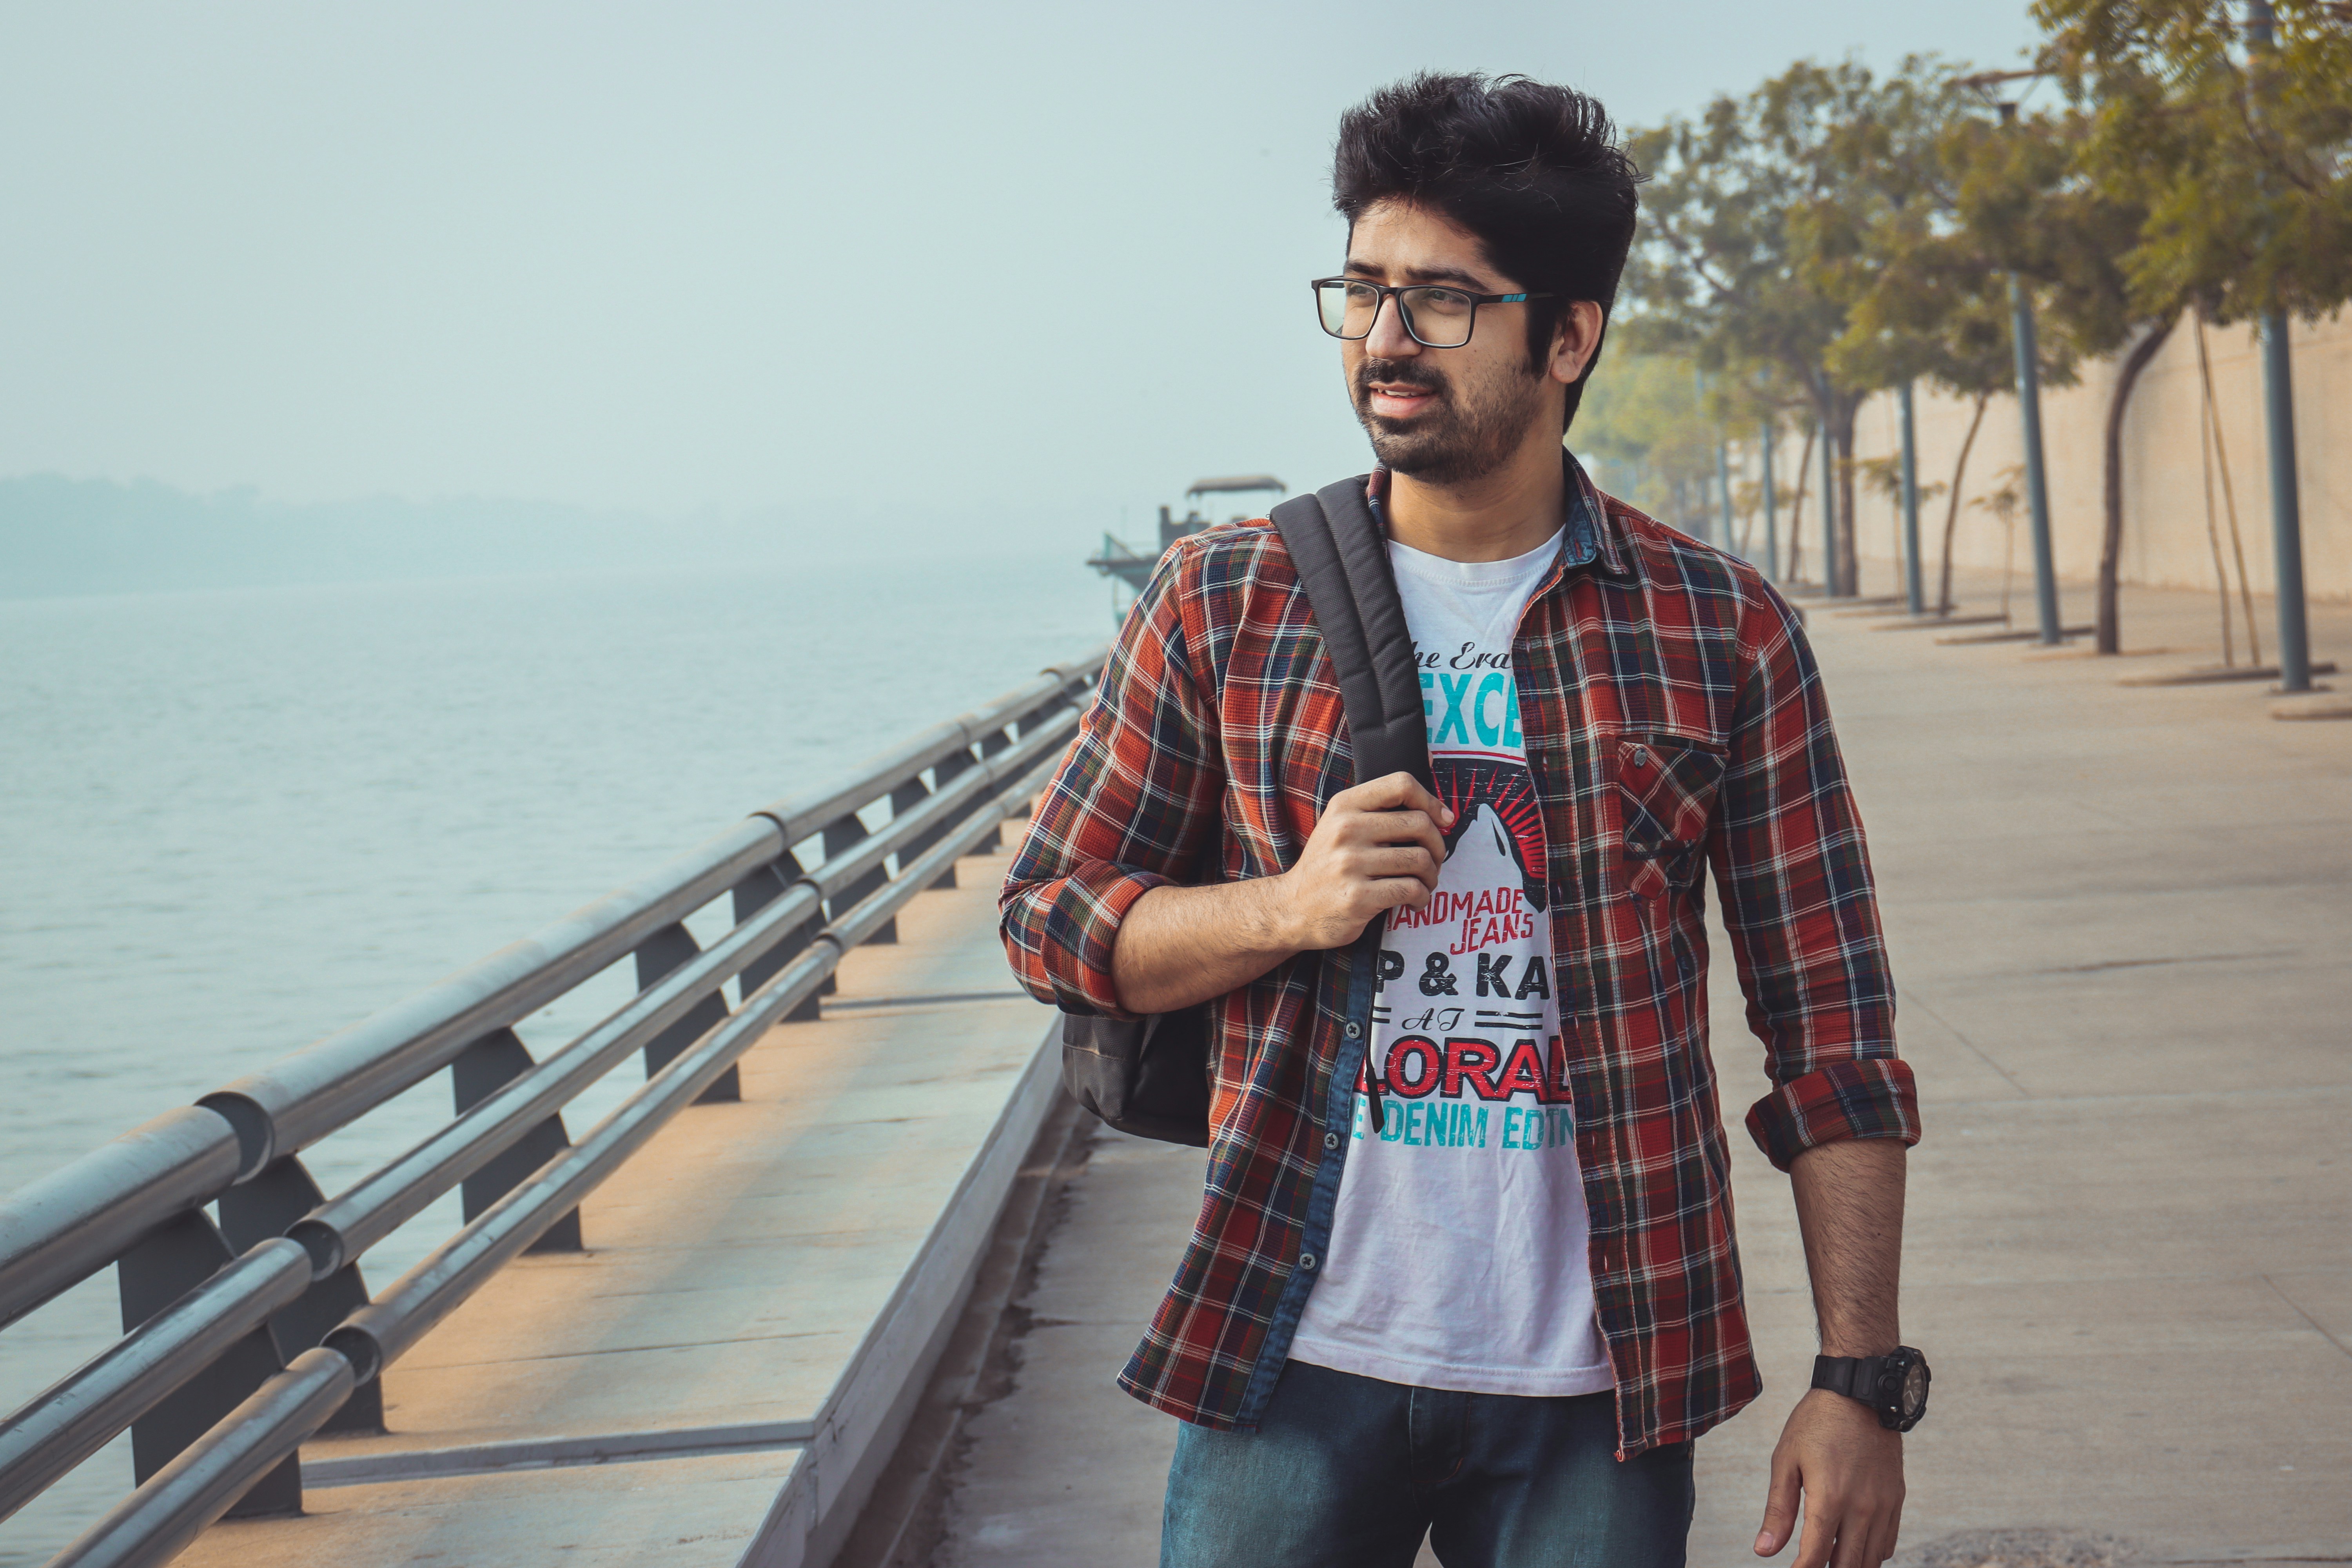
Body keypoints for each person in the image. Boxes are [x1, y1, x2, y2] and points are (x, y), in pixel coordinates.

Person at [1000, 72, 1923, 1568]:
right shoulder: (1228, 600)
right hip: (1285, 1351)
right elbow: (1047, 916)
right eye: (1362, 290)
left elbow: (1833, 1030)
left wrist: (1861, 1378)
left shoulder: (1720, 631)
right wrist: (1284, 907)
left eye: (1442, 299)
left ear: (1570, 336)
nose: (1383, 339)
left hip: (1600, 1385)